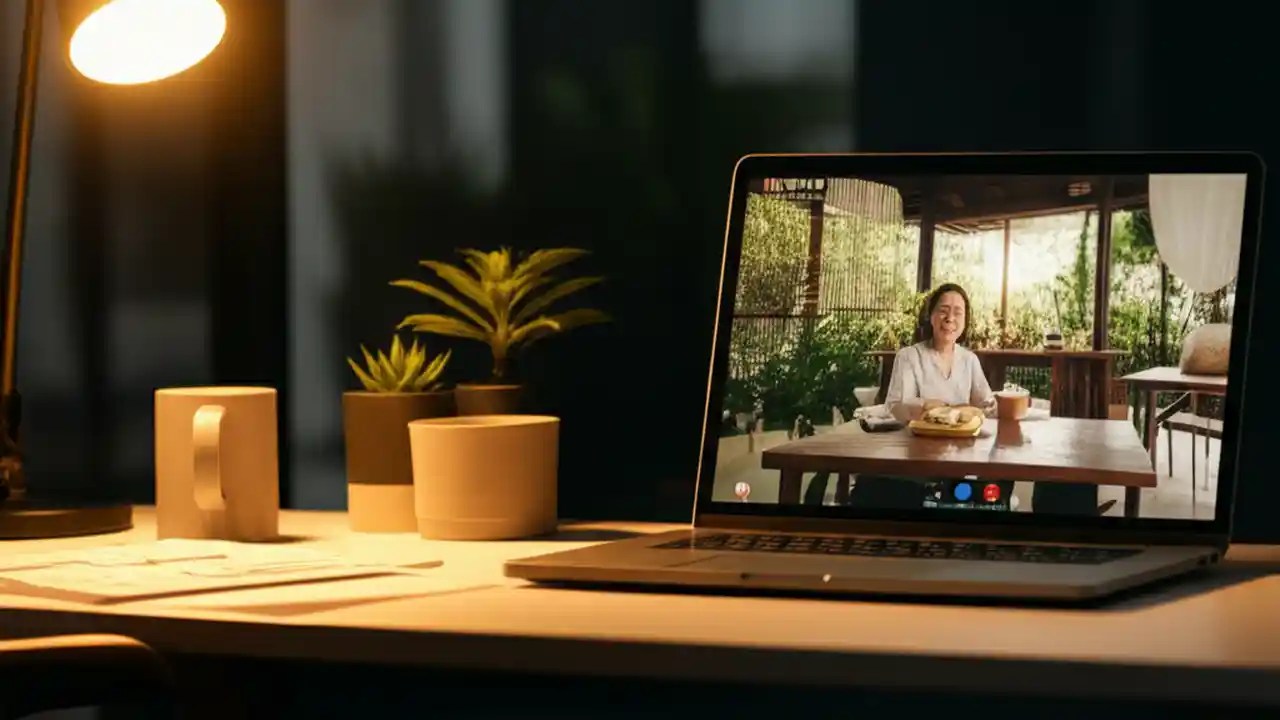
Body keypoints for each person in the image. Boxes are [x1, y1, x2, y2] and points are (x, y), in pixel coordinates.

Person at [846, 283, 1008, 509]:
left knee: (994, 490)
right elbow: (897, 406)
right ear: (931, 316)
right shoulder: (909, 356)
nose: (950, 318)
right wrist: (945, 407)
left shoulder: (969, 360)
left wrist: (1005, 404)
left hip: (959, 455)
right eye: (943, 310)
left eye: (958, 312)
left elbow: (986, 404)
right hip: (914, 456)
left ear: (965, 320)